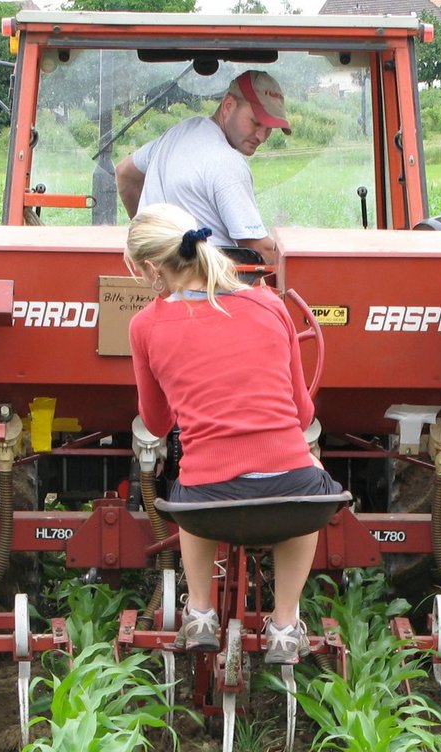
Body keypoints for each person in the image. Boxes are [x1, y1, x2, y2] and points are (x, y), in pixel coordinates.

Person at [125, 203, 341, 666]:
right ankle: (285, 624)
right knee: (307, 468)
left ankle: (200, 613)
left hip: (209, 510)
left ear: (150, 269)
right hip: (296, 504)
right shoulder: (267, 303)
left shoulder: (145, 326)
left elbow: (158, 424)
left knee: (194, 472)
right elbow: (303, 414)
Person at [115, 70, 290, 263]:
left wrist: (148, 234)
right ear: (228, 106)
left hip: (158, 276)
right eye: (256, 122)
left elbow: (124, 173)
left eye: (269, 128)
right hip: (209, 286)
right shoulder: (227, 161)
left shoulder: (176, 135)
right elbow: (260, 249)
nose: (262, 137)